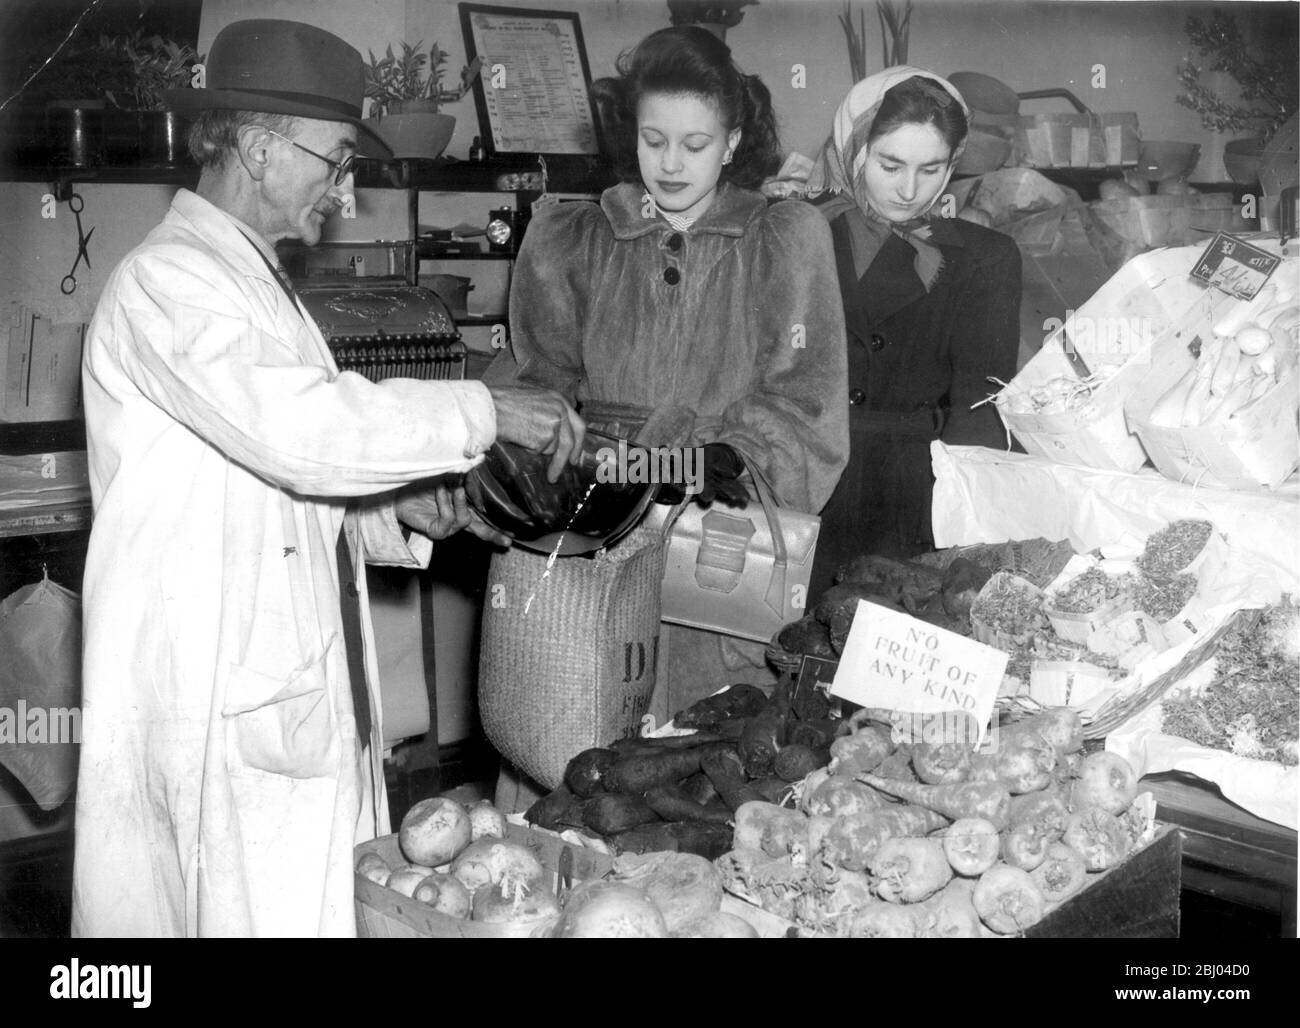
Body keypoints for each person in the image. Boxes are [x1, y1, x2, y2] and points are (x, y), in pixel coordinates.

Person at [71, 19, 583, 938]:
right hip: (215, 703)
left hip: (277, 691)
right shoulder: (168, 282)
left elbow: (276, 484)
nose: (344, 189)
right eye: (335, 157)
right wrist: (484, 409)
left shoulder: (258, 285)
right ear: (261, 148)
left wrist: (392, 508)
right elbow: (298, 429)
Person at [484, 26, 848, 717]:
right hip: (592, 525)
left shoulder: (783, 240)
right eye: (655, 142)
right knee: (575, 725)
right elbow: (540, 384)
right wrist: (530, 464)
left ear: (734, 142)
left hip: (714, 528)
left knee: (693, 748)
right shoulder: (573, 237)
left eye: (696, 144)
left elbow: (807, 397)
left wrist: (735, 456)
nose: (671, 165)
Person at [805, 68, 1021, 599]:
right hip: (807, 485)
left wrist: (966, 541)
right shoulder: (795, 235)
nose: (908, 190)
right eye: (890, 164)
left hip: (916, 500)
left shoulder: (986, 259)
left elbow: (980, 414)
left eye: (932, 168)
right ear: (853, 148)